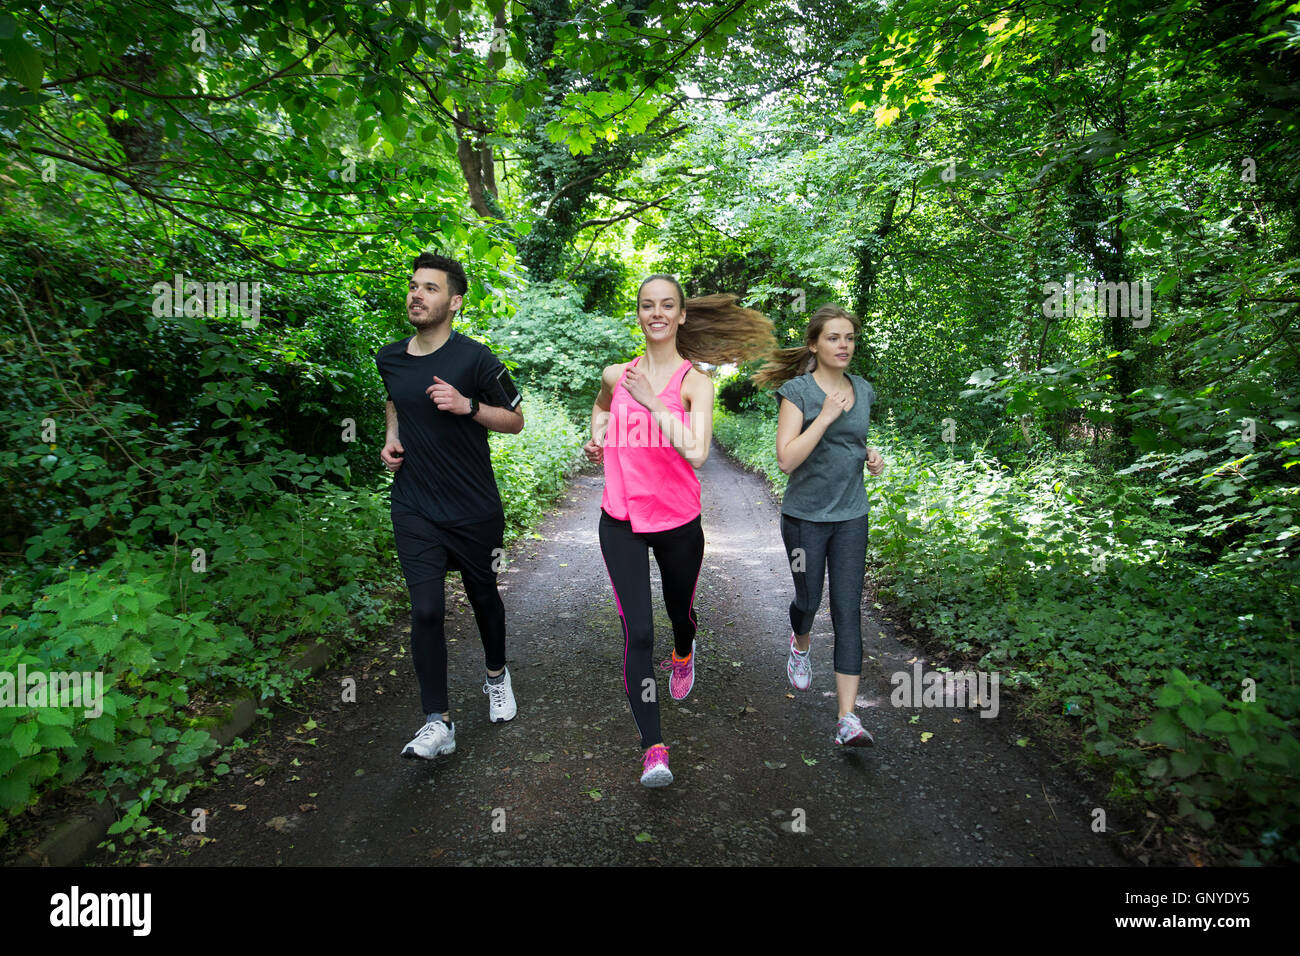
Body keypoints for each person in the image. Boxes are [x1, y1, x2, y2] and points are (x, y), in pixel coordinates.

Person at [585, 275, 773, 786]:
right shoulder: (616, 374)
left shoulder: (695, 383)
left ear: (682, 315)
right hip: (620, 517)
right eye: (648, 306)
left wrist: (651, 402)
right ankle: (654, 749)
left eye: (668, 305)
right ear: (640, 314)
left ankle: (685, 650)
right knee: (637, 632)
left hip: (676, 520)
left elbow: (697, 451)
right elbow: (601, 408)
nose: (657, 313)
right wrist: (598, 432)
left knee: (679, 614)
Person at [375, 252, 525, 760]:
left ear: (454, 301)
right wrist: (392, 438)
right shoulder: (390, 357)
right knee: (426, 610)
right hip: (414, 505)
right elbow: (394, 400)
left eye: (431, 289)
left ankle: (496, 674)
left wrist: (469, 407)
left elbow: (515, 419)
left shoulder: (477, 359)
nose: (418, 295)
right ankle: (437, 721)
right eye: (414, 286)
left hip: (473, 507)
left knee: (484, 597)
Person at [755, 305, 885, 746]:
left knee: (848, 610)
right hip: (805, 518)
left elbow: (855, 439)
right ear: (814, 344)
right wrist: (826, 416)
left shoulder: (863, 389)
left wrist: (869, 454)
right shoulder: (798, 391)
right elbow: (787, 459)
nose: (843, 345)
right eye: (833, 337)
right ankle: (801, 642)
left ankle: (848, 718)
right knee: (808, 600)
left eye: (849, 337)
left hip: (851, 515)